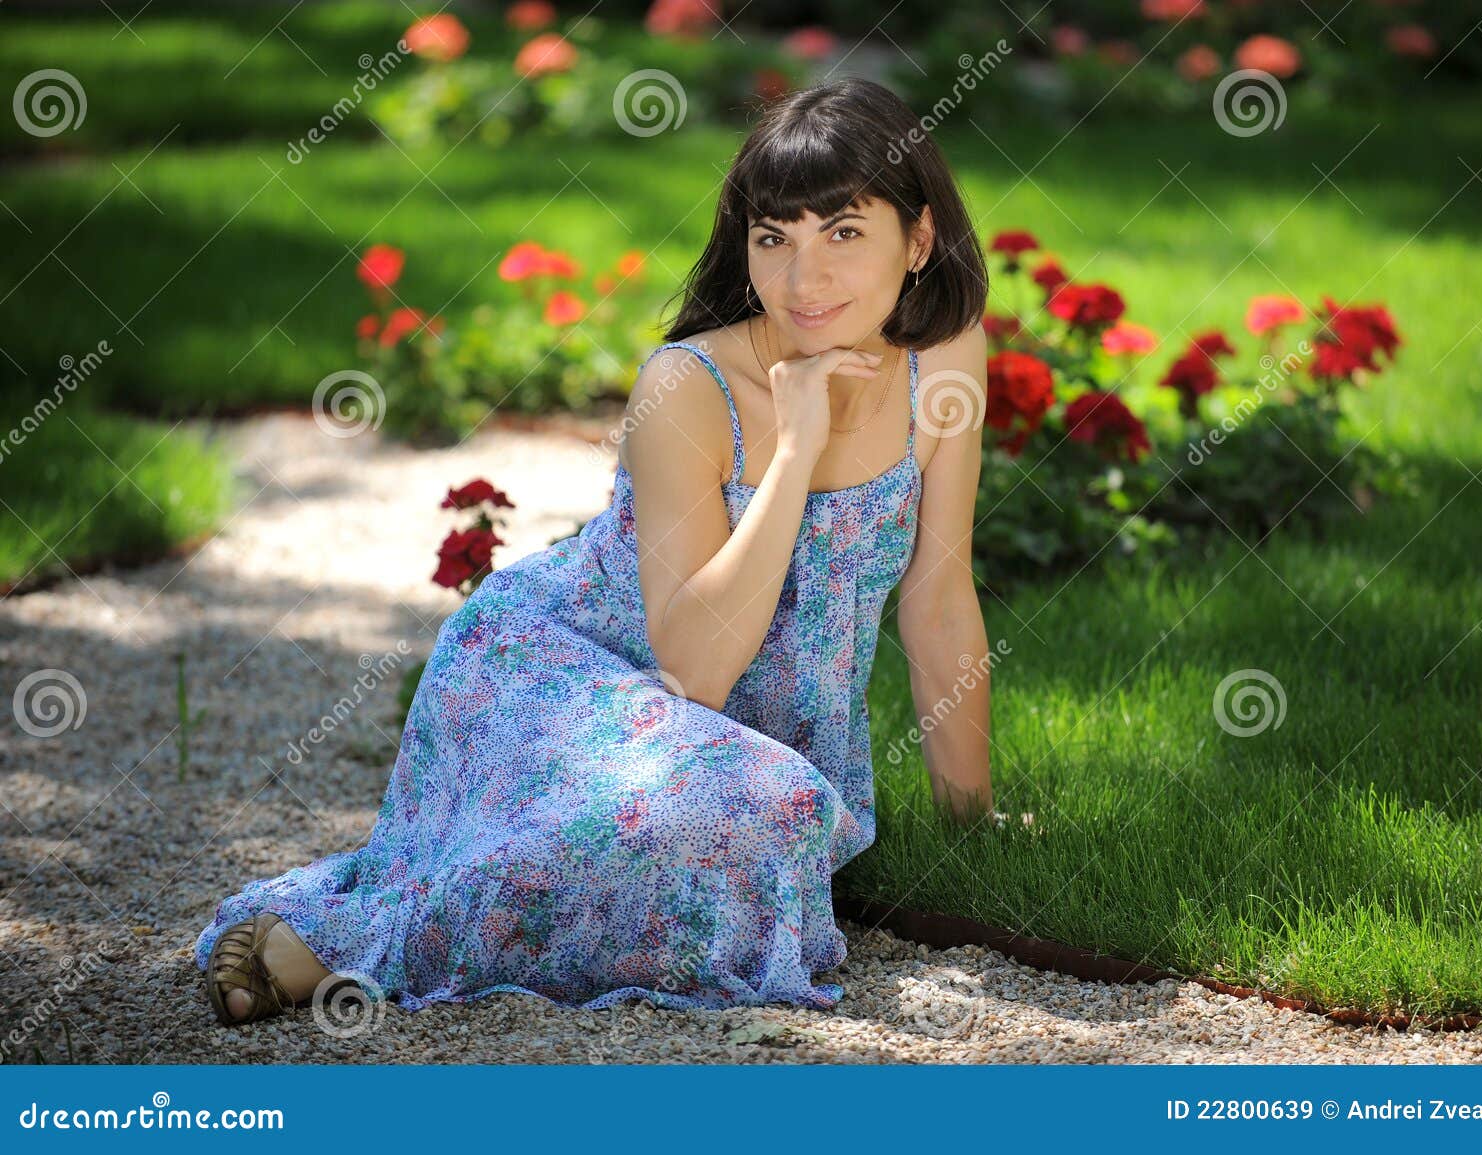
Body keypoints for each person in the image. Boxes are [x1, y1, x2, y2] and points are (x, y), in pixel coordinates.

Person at [195, 76, 995, 1027]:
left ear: (918, 239)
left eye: (844, 233)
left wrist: (971, 829)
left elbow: (940, 596)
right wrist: (795, 445)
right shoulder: (688, 386)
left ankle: (416, 910)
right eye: (773, 237)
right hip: (566, 669)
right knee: (762, 802)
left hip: (725, 742)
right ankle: (354, 938)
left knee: (767, 805)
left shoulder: (946, 360)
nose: (803, 279)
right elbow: (692, 666)